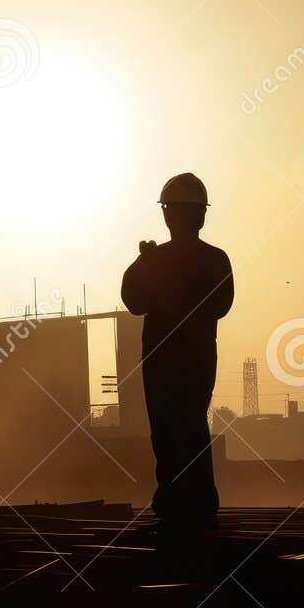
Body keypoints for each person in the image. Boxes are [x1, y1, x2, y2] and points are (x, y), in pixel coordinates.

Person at [121, 173, 234, 533]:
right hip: (196, 359)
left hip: (164, 360)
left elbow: (134, 302)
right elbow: (221, 305)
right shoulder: (214, 260)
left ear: (168, 215)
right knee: (190, 426)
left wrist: (147, 266)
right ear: (201, 215)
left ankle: (176, 499)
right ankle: (196, 501)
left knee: (169, 430)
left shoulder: (160, 261)